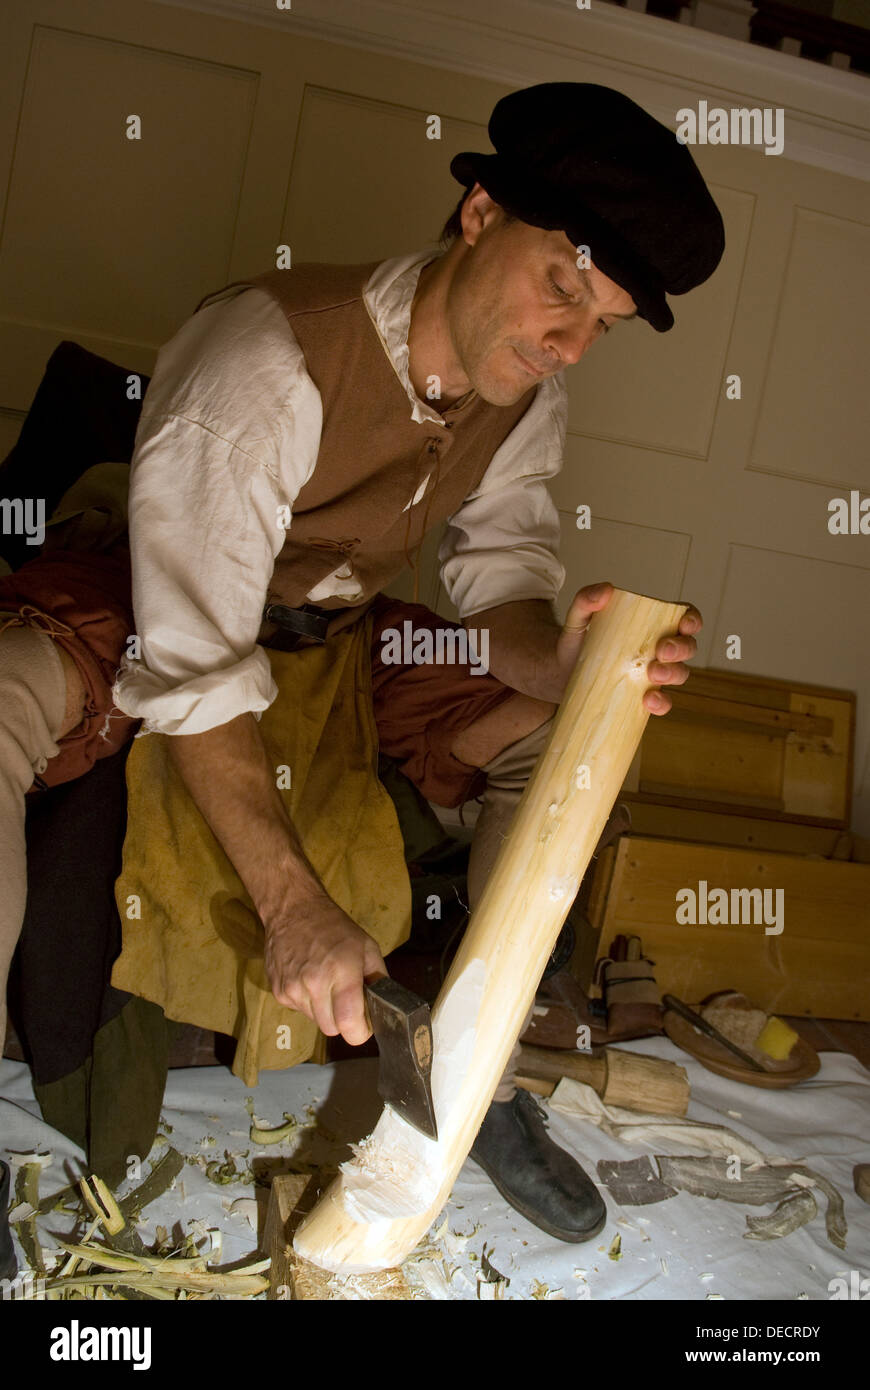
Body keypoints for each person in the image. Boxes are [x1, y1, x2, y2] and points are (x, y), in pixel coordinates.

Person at [0, 83, 722, 1242]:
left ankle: (471, 1066)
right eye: (563, 288)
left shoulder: (525, 391)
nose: (568, 343)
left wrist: (572, 658)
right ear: (480, 214)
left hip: (329, 632)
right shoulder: (262, 362)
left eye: (604, 325)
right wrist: (294, 906)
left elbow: (500, 593)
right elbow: (193, 663)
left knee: (584, 718)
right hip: (153, 598)